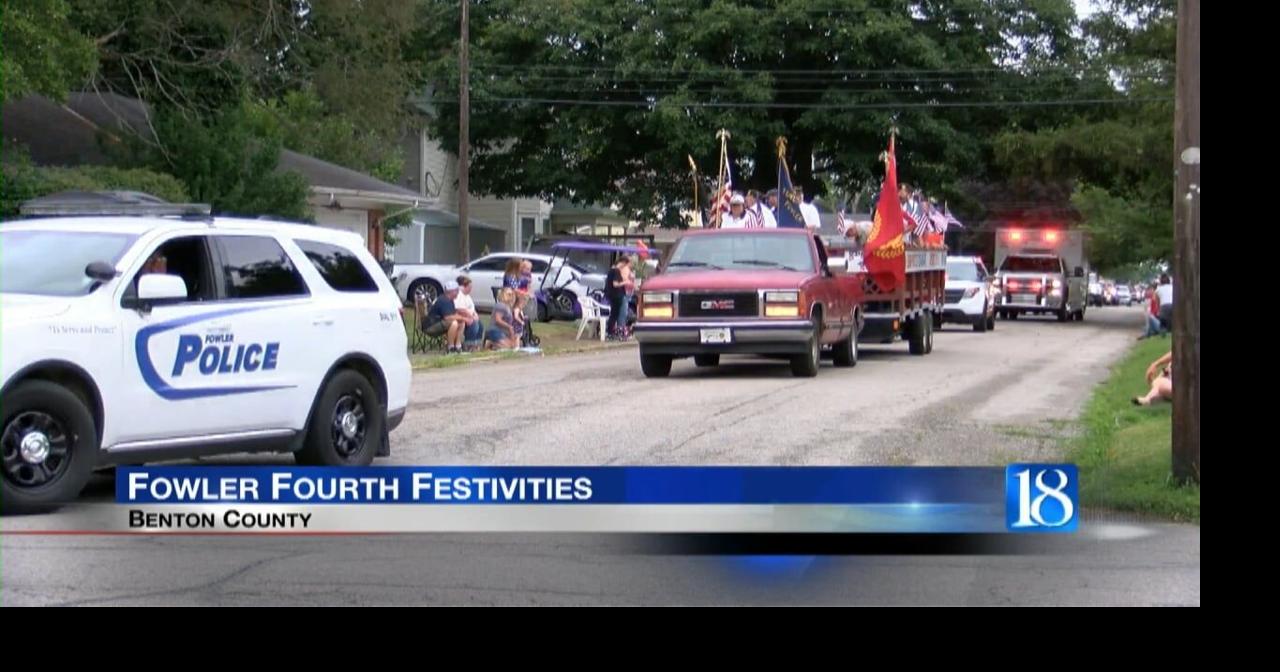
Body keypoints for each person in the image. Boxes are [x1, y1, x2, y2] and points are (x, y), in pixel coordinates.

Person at [423, 280, 466, 353]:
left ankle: (458, 346)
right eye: (456, 291)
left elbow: (453, 314)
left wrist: (463, 319)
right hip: (431, 326)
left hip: (439, 323)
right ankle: (450, 348)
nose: (458, 293)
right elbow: (448, 317)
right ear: (451, 291)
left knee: (461, 323)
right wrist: (463, 318)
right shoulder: (444, 300)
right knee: (454, 323)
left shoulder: (450, 300)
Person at [453, 275, 484, 350]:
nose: (471, 289)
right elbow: (458, 309)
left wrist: (475, 314)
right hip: (461, 317)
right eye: (469, 287)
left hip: (470, 316)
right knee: (474, 324)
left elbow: (472, 308)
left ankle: (477, 344)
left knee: (480, 325)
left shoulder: (467, 296)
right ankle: (469, 344)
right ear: (464, 286)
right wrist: (470, 315)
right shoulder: (459, 295)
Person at [605, 256, 632, 339]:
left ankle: (610, 332)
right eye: (625, 265)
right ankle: (610, 332)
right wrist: (625, 282)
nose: (624, 267)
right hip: (616, 295)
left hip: (612, 294)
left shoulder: (611, 270)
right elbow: (615, 284)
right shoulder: (616, 271)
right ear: (623, 263)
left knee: (613, 314)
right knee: (614, 314)